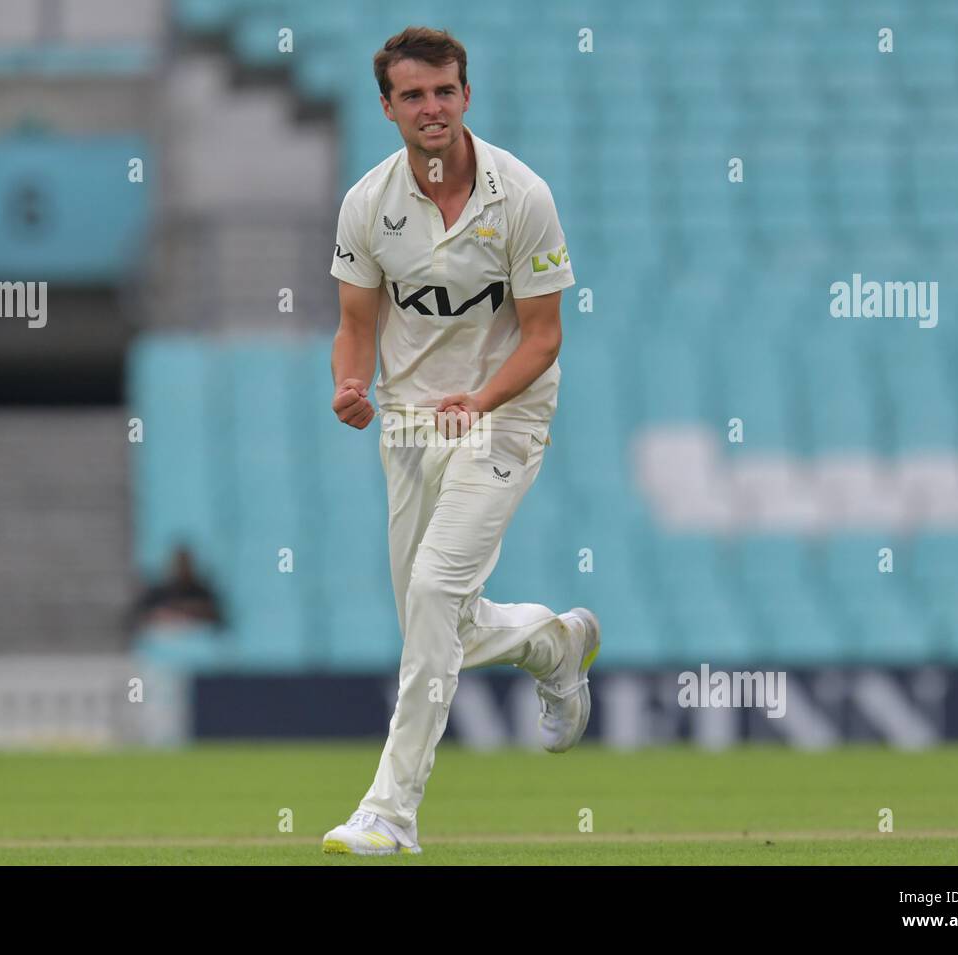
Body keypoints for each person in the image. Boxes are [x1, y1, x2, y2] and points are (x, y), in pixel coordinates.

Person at [322, 27, 600, 856]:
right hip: (410, 426)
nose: (431, 107)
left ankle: (389, 812)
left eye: (443, 90)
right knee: (430, 621)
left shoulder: (522, 196)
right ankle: (552, 642)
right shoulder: (369, 204)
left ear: (466, 95)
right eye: (413, 95)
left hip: (504, 418)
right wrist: (348, 382)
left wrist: (480, 399)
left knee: (437, 594)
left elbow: (544, 337)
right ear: (388, 107)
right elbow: (354, 324)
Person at [132, 545, 227, 631]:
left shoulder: (201, 593)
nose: (181, 568)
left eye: (185, 564)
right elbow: (140, 616)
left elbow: (218, 619)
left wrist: (192, 611)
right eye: (178, 564)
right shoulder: (159, 593)